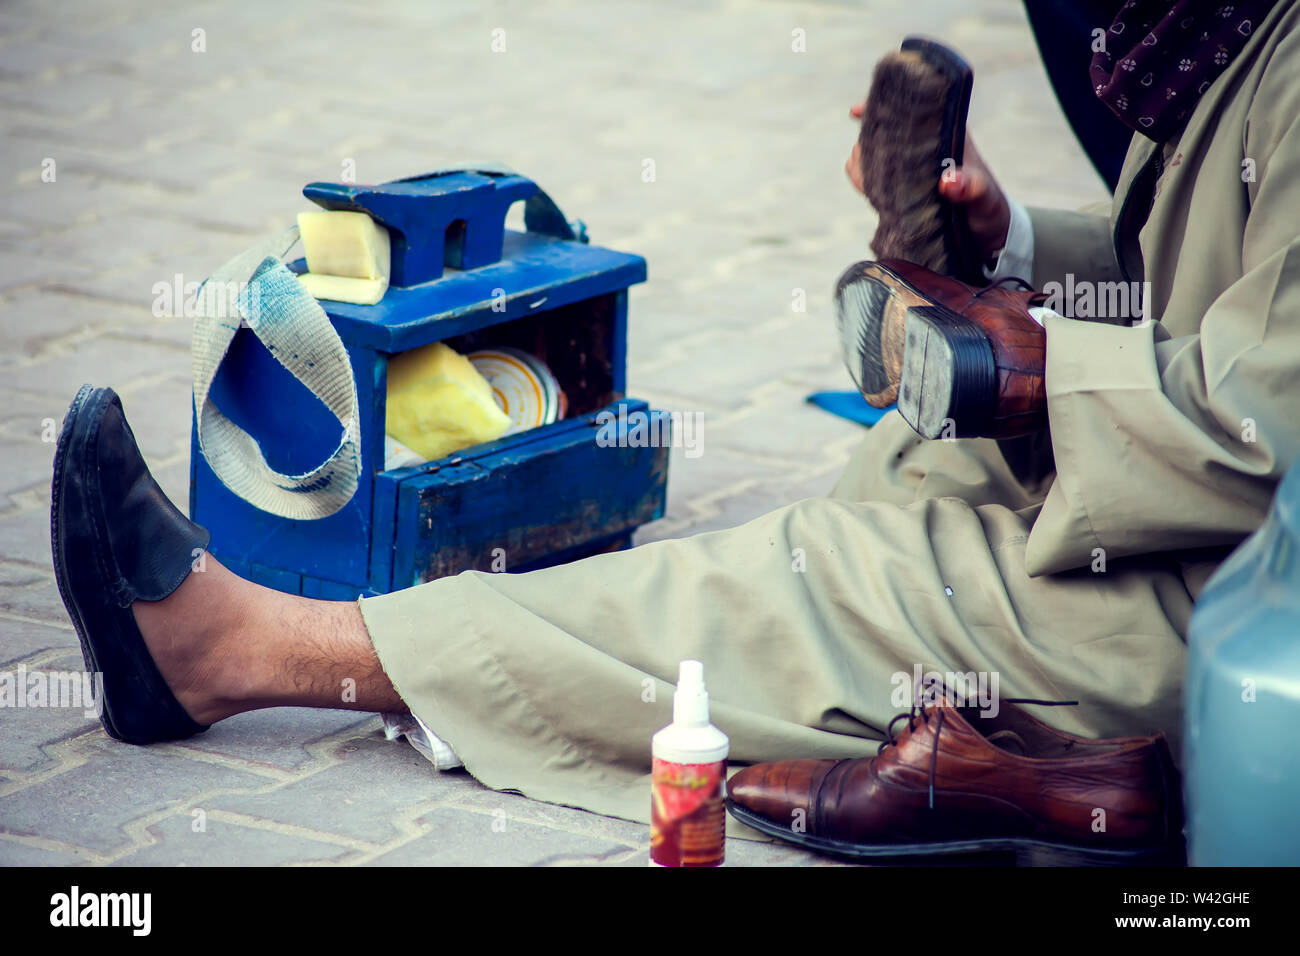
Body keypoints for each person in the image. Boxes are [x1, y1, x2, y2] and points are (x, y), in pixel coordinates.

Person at [51, 0, 1300, 851]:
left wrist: (1027, 369)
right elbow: (1219, 287)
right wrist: (1009, 253)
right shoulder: (1227, 44)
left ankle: (238, 653)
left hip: (1242, 589)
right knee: (904, 469)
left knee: (833, 579)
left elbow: (1275, 403)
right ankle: (565, 674)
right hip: (1186, 507)